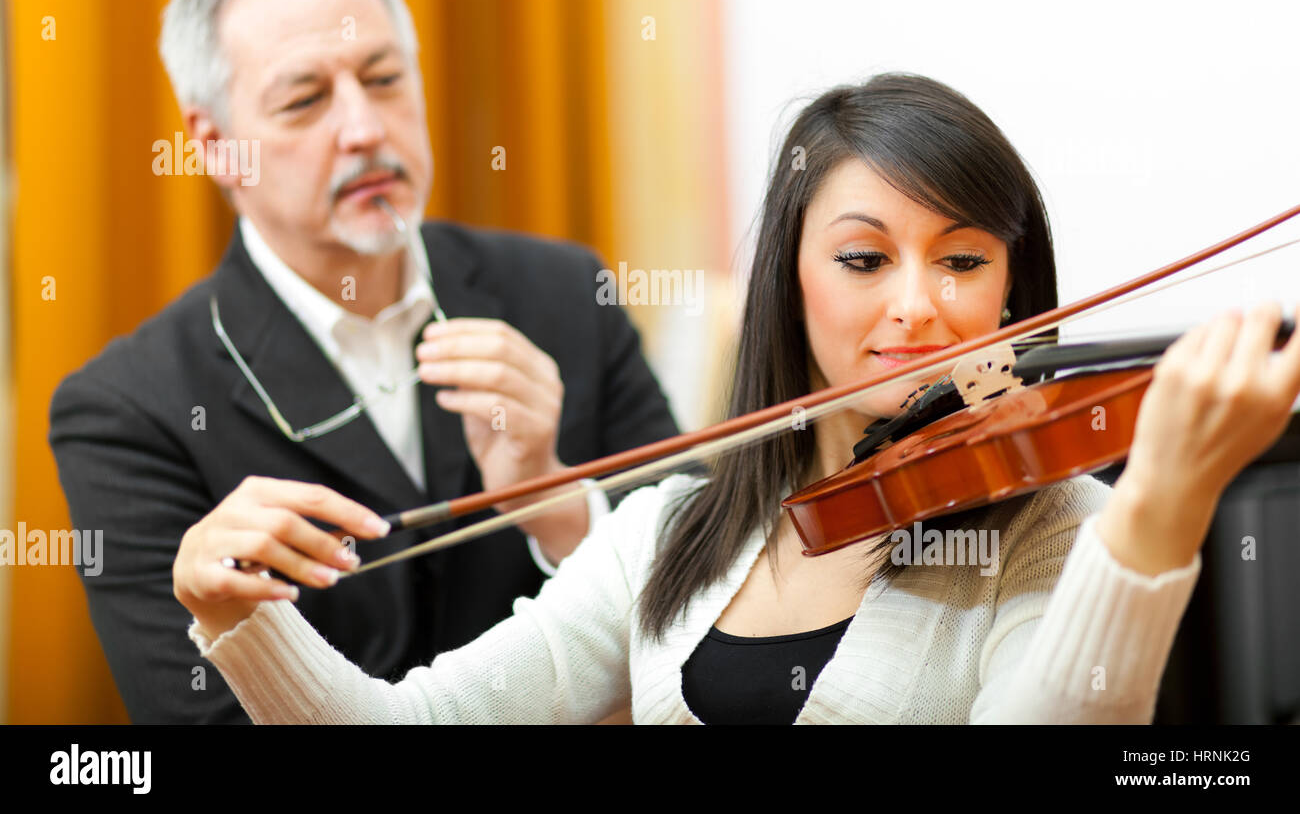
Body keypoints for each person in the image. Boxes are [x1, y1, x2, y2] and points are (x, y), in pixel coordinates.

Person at [173, 74, 1300, 723]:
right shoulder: (670, 533)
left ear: (1013, 290)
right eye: (864, 260)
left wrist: (1158, 506)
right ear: (789, 280)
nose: (919, 306)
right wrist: (236, 612)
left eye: (963, 261)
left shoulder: (1054, 529)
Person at [48, 0, 678, 724]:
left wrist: (549, 501)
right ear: (214, 145)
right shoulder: (124, 410)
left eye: (383, 78)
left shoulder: (562, 291)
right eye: (304, 99)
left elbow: (711, 599)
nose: (365, 129)